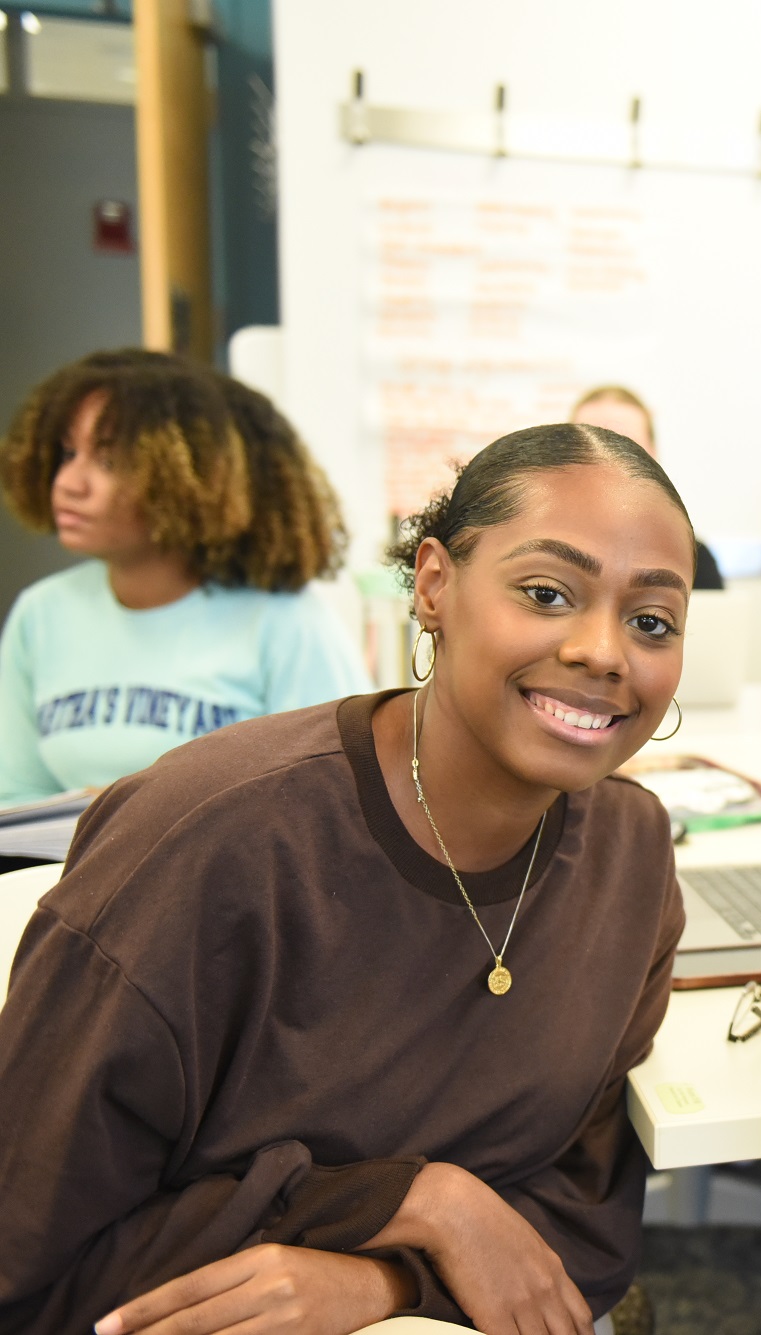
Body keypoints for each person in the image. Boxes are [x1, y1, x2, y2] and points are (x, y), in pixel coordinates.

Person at [0, 422, 693, 1332]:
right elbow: (28, 1260)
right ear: (435, 584)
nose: (605, 651)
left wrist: (390, 1283)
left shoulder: (629, 856)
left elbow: (583, 1218)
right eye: (546, 591)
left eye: (651, 620)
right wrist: (416, 1204)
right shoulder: (207, 845)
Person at [0, 350, 371, 804]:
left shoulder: (287, 622)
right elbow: (15, 799)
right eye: (68, 453)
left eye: (109, 462)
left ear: (193, 479)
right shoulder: (42, 613)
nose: (69, 483)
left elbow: (334, 802)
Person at [570, 384, 724, 590]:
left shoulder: (694, 561)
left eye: (627, 446)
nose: (606, 458)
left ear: (653, 458)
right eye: (588, 444)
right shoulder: (533, 548)